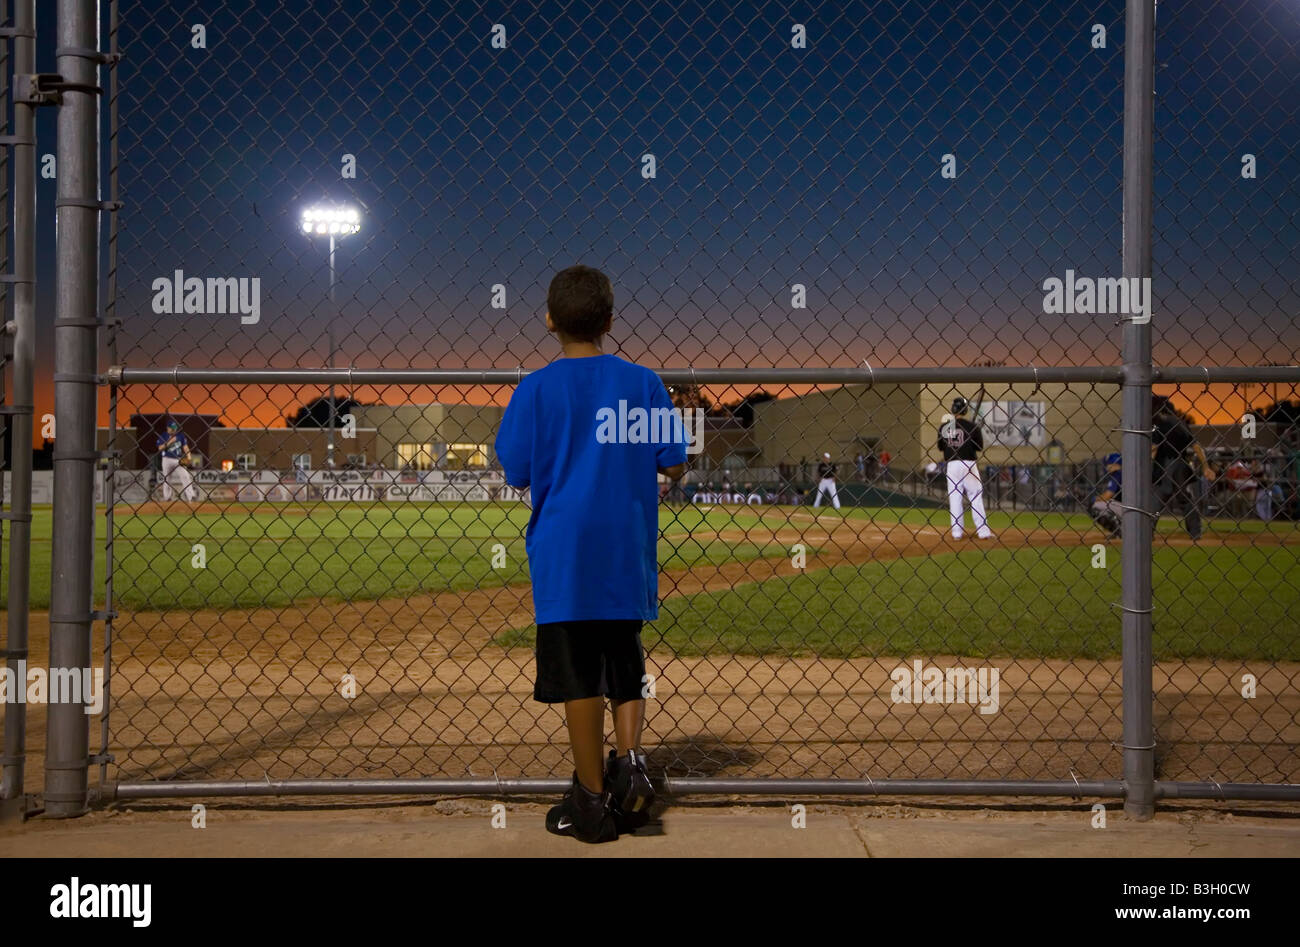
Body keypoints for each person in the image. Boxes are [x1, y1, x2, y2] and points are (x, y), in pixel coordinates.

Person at [494, 265, 687, 844]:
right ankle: (629, 766)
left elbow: (518, 474)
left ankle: (591, 799)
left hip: (564, 554)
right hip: (625, 546)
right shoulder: (644, 383)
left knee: (579, 675)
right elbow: (673, 461)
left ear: (550, 320)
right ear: (609, 320)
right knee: (624, 662)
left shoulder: (534, 389)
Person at [1152, 395, 1214, 540]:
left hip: (1166, 464)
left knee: (1156, 496)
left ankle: (1146, 530)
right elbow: (1196, 445)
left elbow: (1153, 449)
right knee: (1185, 497)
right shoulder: (1179, 422)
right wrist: (1205, 466)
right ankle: (1195, 532)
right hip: (1181, 464)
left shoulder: (1159, 422)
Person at [939, 397, 993, 539]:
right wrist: (972, 434)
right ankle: (983, 532)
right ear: (965, 409)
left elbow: (940, 446)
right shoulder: (972, 427)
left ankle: (957, 533)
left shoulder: (945, 427)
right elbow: (979, 447)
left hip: (952, 464)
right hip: (969, 464)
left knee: (955, 498)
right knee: (975, 496)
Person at [155, 418, 197, 502]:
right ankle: (167, 498)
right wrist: (169, 442)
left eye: (175, 428)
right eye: (172, 428)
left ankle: (191, 497)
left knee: (185, 476)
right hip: (166, 459)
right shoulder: (163, 436)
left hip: (178, 459)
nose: (174, 430)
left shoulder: (180, 435)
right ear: (168, 428)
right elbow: (160, 448)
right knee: (167, 479)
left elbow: (185, 447)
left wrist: (189, 457)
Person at [1090, 453, 1123, 538]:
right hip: (1131, 507)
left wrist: (1094, 499)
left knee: (1096, 506)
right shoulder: (1125, 473)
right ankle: (1122, 529)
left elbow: (1108, 495)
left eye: (1108, 464)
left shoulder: (1117, 474)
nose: (1107, 467)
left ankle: (1119, 531)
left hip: (1125, 508)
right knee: (1102, 505)